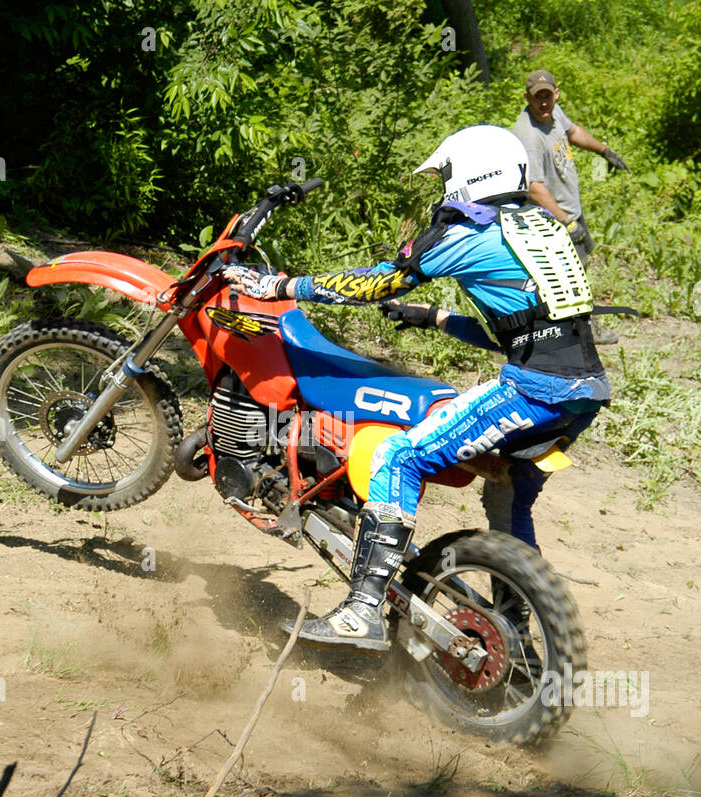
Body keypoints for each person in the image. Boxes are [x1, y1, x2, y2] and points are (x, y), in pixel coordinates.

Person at [223, 125, 610, 652]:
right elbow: (520, 330)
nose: (443, 187)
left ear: (468, 172)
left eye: (446, 175)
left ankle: (362, 612)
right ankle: (517, 625)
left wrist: (283, 285)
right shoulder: (543, 229)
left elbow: (379, 282)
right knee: (509, 498)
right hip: (585, 393)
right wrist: (435, 318)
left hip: (535, 389)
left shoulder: (468, 230)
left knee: (397, 458)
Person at [512, 69, 627, 343]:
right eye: (537, 98)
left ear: (556, 94)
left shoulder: (552, 113)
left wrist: (604, 150)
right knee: (567, 276)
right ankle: (578, 330)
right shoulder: (529, 136)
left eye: (548, 96)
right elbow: (533, 187)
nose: (543, 103)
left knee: (579, 267)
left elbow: (572, 130)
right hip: (551, 219)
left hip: (569, 211)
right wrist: (567, 221)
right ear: (526, 97)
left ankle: (561, 327)